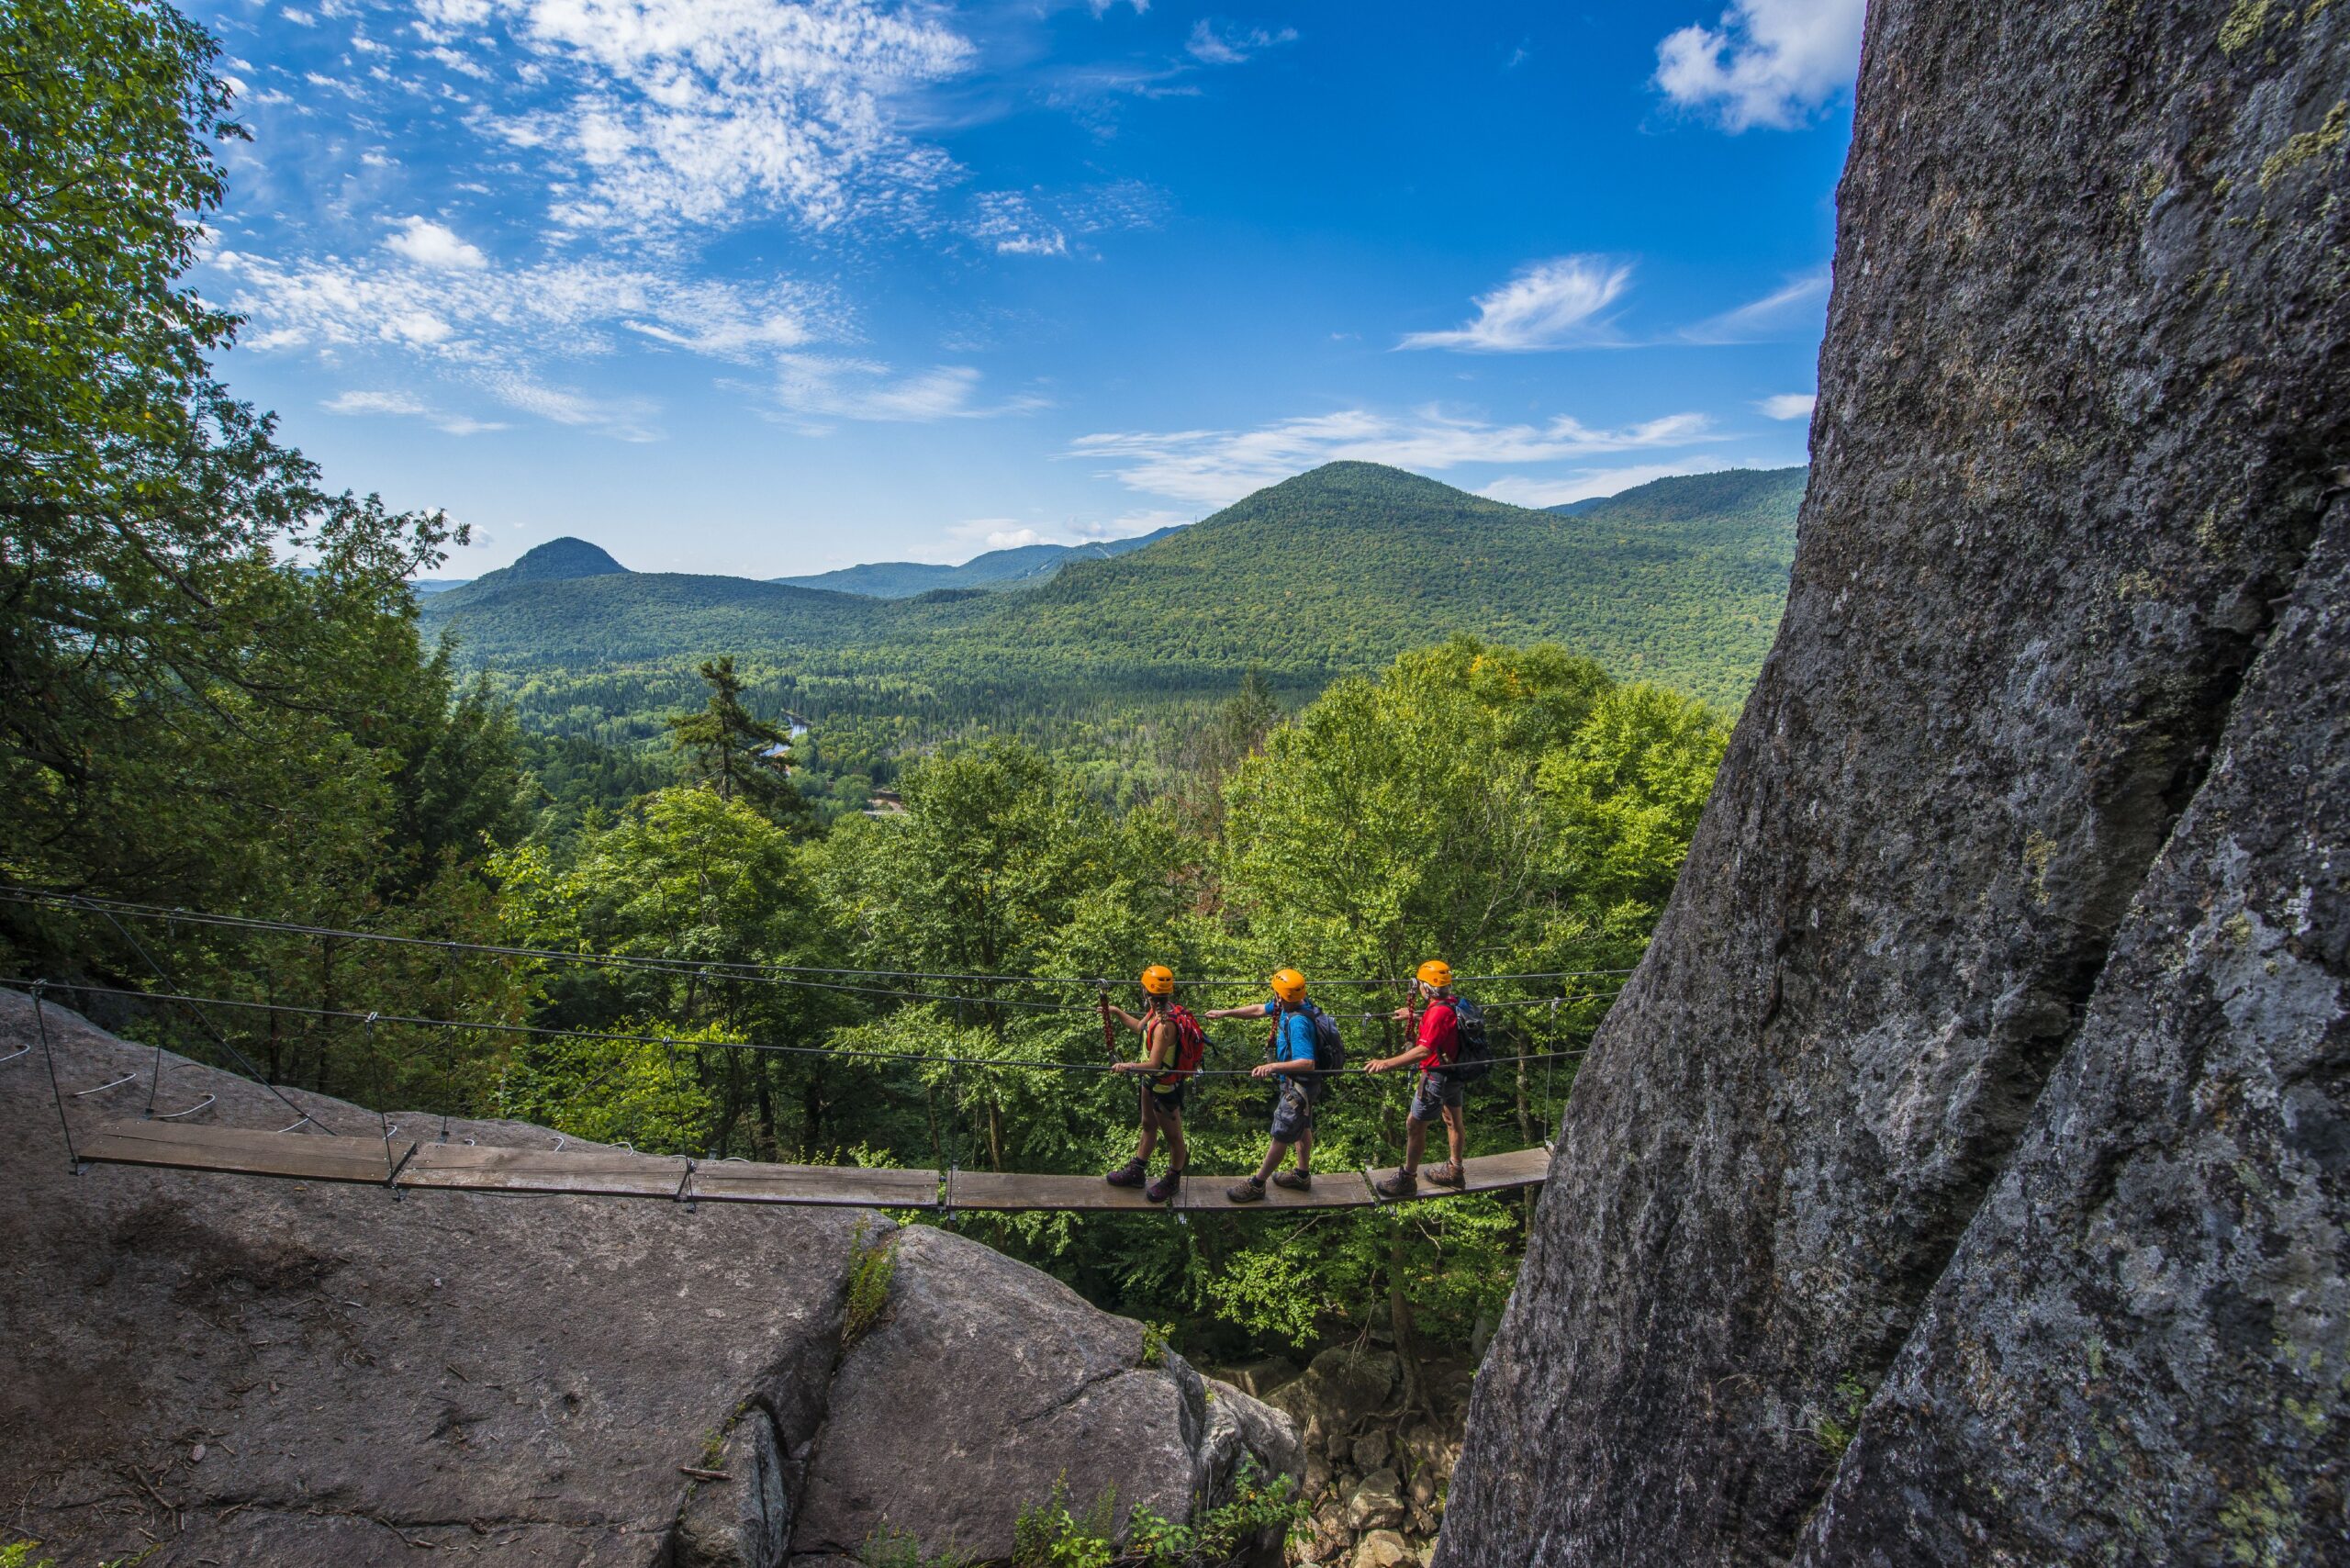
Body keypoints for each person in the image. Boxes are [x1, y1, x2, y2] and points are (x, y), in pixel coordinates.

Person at [1204, 968, 1322, 1203]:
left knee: (1281, 1132)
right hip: (1302, 1085)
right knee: (1303, 1127)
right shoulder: (1297, 1003)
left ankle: (1257, 1185)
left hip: (1298, 1087)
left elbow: (1307, 1062)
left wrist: (1273, 1067)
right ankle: (1302, 1175)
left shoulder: (1298, 1021)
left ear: (1281, 994)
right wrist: (1226, 1012)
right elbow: (1259, 1009)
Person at [1368, 959, 1468, 1196]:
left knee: (1414, 1124)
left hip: (1435, 1076)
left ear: (1425, 987)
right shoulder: (1452, 1003)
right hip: (1454, 1072)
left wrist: (1387, 1063)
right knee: (1454, 1120)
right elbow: (1443, 1024)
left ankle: (1408, 1179)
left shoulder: (1435, 1014)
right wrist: (1416, 1014)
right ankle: (1456, 1169)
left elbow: (1424, 1050)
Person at [1102, 964, 1194, 1203]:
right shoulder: (1157, 1011)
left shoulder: (1165, 1025)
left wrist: (1127, 1065)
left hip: (1164, 1086)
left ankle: (1173, 1179)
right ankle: (1137, 1170)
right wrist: (1115, 1011)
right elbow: (1139, 1028)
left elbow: (1154, 1063)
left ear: (1146, 991)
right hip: (1149, 1082)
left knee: (1174, 1137)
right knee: (1147, 1125)